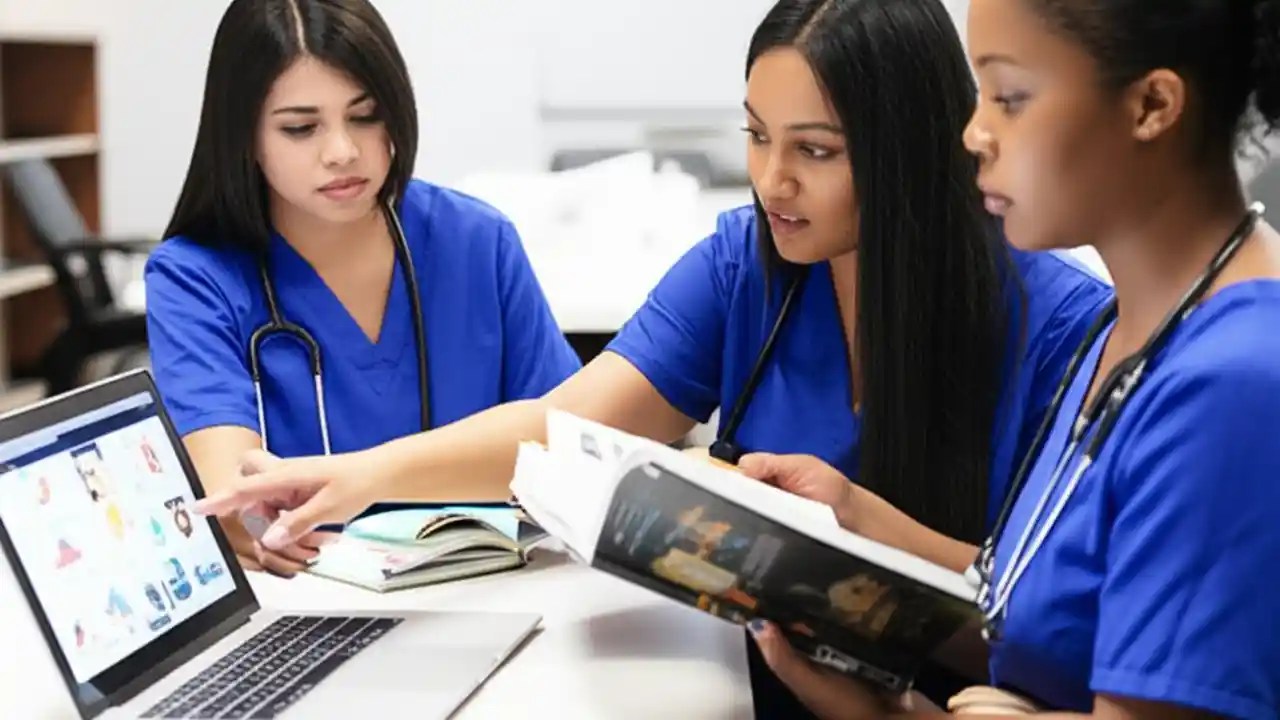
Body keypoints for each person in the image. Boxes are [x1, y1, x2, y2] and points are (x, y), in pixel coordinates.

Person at [196, 0, 1110, 714]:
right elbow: (567, 425)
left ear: (908, 154)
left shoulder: (1058, 324)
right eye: (755, 135)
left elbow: (1064, 630)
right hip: (756, 690)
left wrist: (860, 526)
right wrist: (361, 476)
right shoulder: (741, 264)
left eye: (815, 151)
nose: (771, 180)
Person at [745, 0, 1280, 717]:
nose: (973, 134)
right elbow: (1040, 626)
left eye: (1011, 98)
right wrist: (853, 527)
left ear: (1152, 104)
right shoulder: (1126, 332)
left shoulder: (1231, 384)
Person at [145, 0, 580, 577]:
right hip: (314, 606)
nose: (342, 152)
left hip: (496, 588)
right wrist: (249, 514)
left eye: (367, 115)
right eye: (301, 127)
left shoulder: (476, 242)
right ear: (244, 135)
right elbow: (229, 482)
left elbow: (565, 441)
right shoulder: (195, 276)